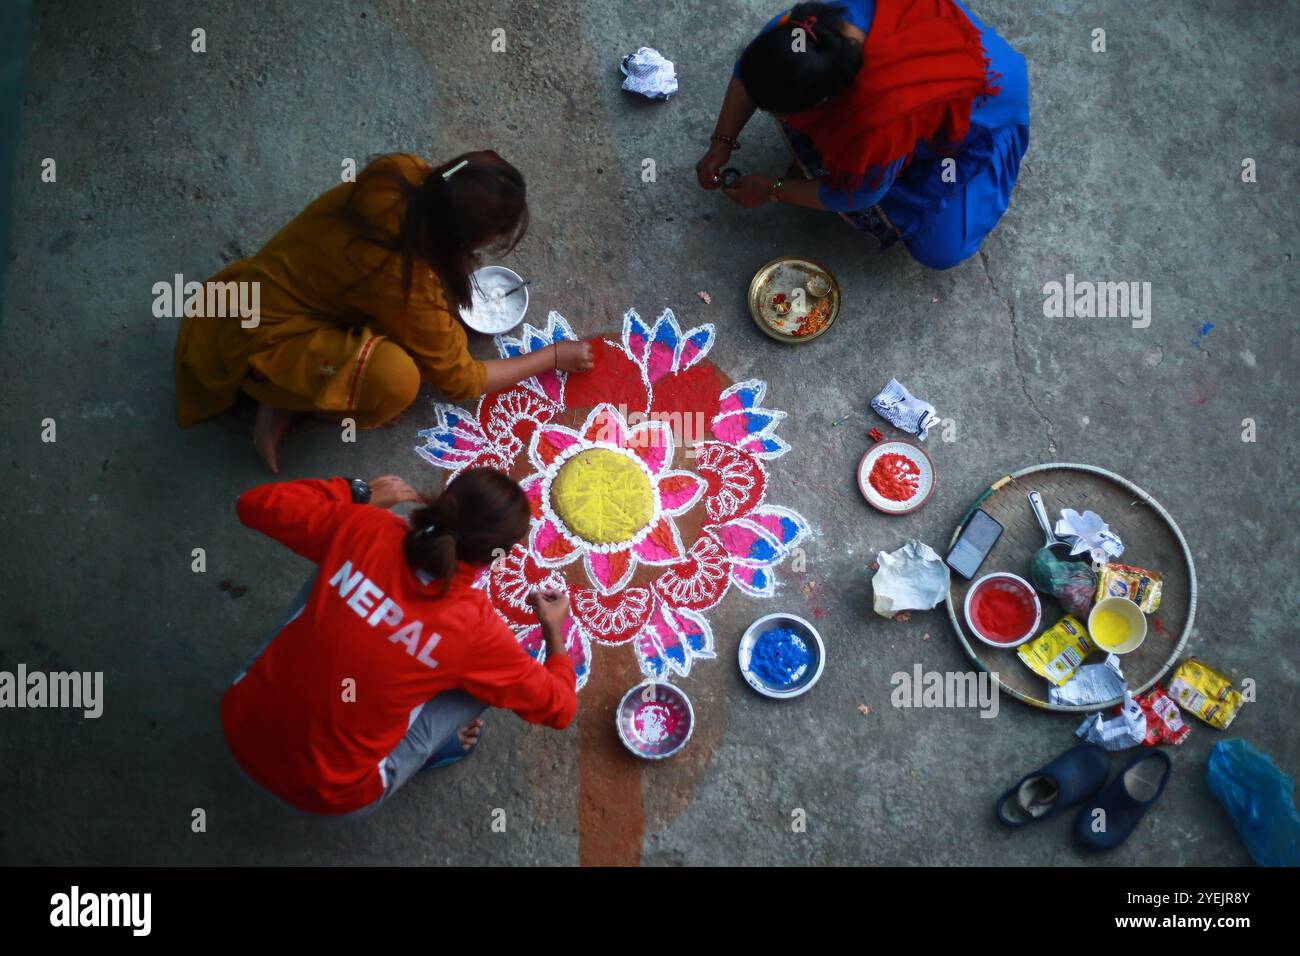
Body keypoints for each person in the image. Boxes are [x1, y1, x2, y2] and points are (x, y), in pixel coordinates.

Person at [174, 151, 595, 473]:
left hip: (250, 294)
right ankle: (278, 396)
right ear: (467, 240)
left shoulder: (402, 172)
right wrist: (554, 357)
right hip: (259, 344)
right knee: (397, 381)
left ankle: (287, 389)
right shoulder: (409, 286)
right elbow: (462, 380)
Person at [221, 468, 577, 818]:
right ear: (497, 556)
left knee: (338, 549)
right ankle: (431, 748)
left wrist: (356, 493)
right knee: (489, 681)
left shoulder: (365, 526)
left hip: (240, 724)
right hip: (330, 790)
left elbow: (252, 504)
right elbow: (558, 707)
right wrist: (553, 629)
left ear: (441, 502)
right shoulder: (475, 630)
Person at [696, 0, 1029, 270]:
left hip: (986, 112)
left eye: (784, 111)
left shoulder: (880, 118)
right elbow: (748, 73)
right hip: (947, 61)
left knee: (941, 251)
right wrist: (721, 141)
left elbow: (858, 195)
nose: (778, 118)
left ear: (830, 100)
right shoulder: (802, 30)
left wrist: (773, 190)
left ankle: (980, 173)